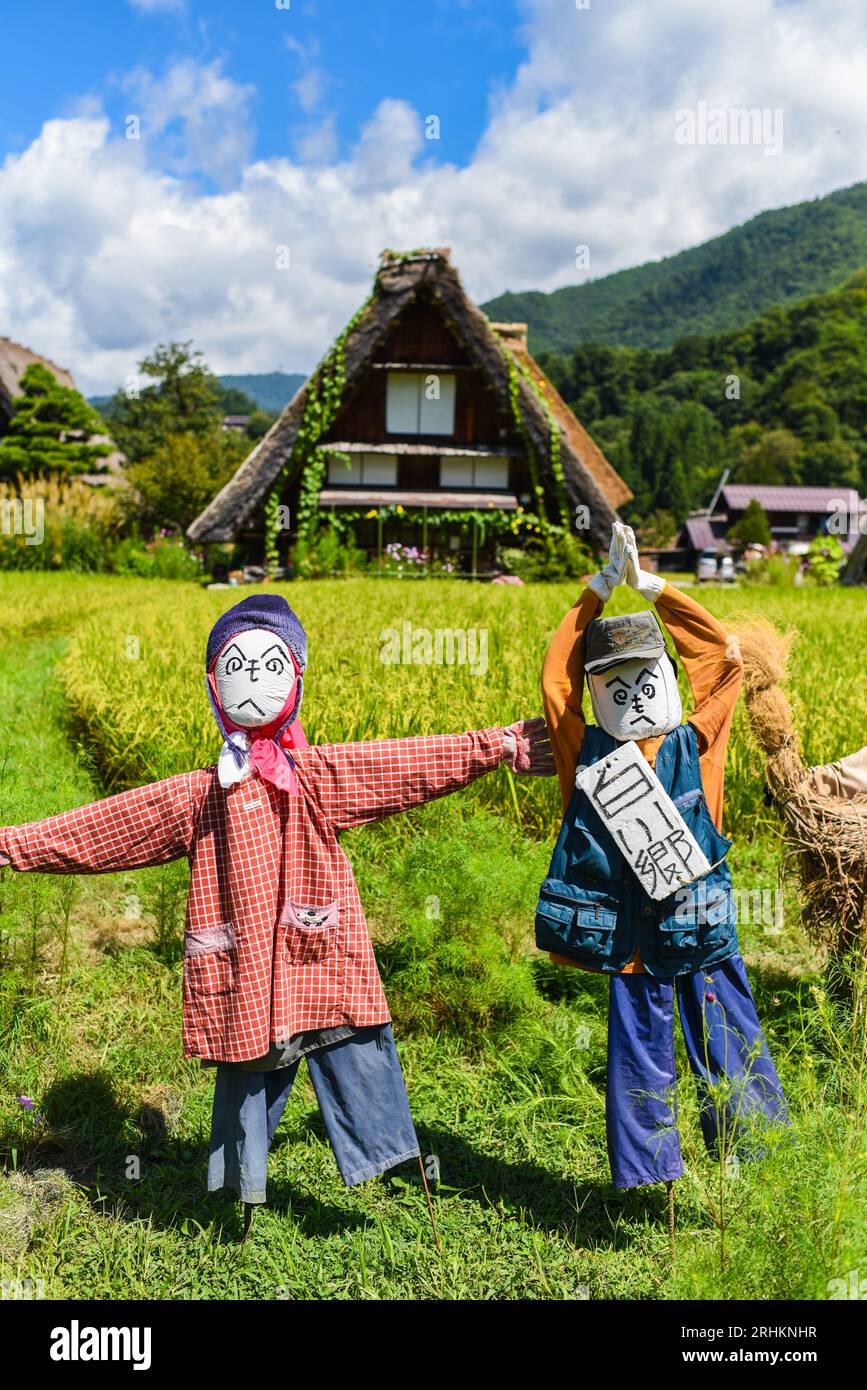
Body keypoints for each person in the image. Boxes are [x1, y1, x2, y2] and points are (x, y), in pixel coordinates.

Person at [0, 593, 554, 1227]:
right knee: (247, 1066)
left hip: (315, 947)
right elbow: (113, 824)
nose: (255, 683)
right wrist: (16, 844)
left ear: (295, 677)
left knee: (354, 1040)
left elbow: (404, 764)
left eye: (270, 667)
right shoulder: (200, 793)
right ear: (215, 684)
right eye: (238, 669)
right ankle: (240, 1190)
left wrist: (498, 747)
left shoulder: (318, 775)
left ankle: (390, 1167)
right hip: (242, 959)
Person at [538, 525, 788, 1196]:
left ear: (668, 682)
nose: (634, 700)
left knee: (726, 1035)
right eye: (614, 691)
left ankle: (749, 1151)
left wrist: (652, 587)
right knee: (638, 1051)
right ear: (594, 697)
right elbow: (553, 679)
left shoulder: (697, 743)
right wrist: (595, 589)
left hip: (699, 929)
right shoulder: (583, 753)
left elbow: (720, 661)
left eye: (645, 682)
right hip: (630, 945)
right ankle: (652, 1176)